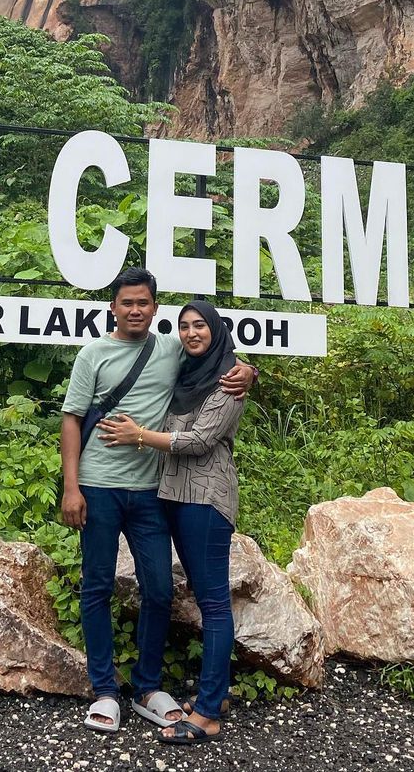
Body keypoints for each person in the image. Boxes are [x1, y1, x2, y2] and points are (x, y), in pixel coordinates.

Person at [60, 269, 256, 735]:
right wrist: (71, 487)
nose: (134, 310)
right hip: (99, 487)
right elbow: (71, 419)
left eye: (143, 303)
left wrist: (250, 370)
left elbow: (218, 355)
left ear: (154, 308)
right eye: (126, 303)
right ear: (113, 307)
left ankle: (148, 685)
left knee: (161, 591)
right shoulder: (94, 354)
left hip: (153, 492)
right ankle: (105, 690)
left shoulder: (169, 347)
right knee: (97, 587)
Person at [97, 299, 245, 745]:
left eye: (201, 325)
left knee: (215, 603)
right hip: (172, 498)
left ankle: (206, 716)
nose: (191, 333)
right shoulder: (185, 374)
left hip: (205, 501)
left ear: (216, 331)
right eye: (184, 326)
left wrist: (138, 436)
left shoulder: (228, 382)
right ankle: (214, 694)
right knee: (203, 597)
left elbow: (199, 441)